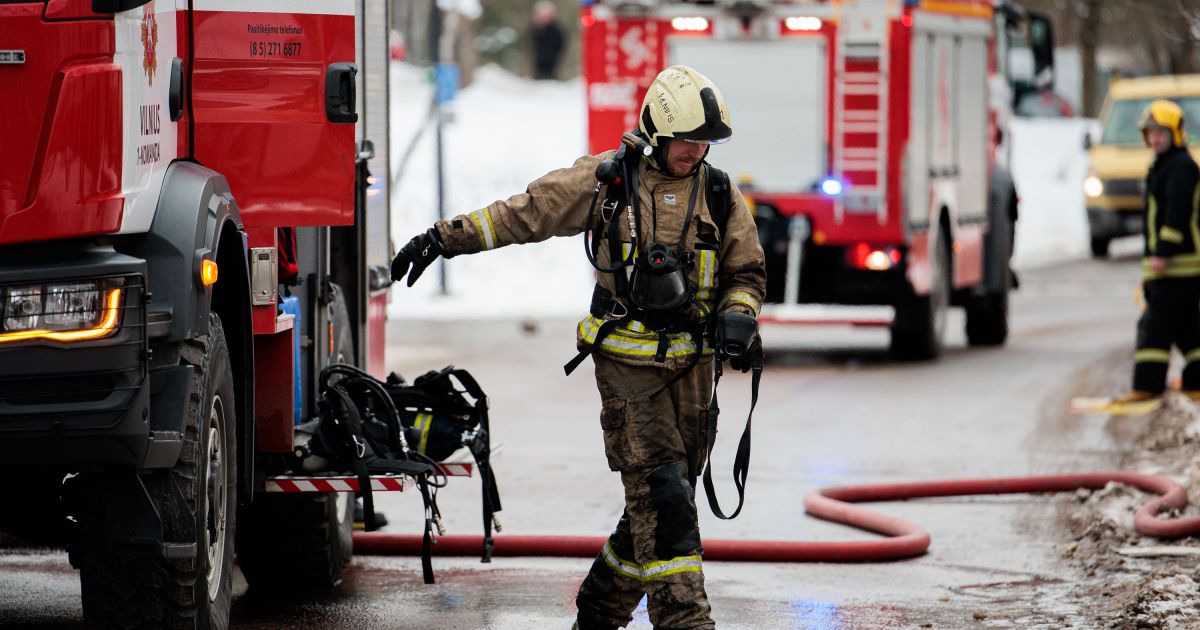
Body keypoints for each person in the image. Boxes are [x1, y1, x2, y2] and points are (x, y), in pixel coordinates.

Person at [390, 65, 766, 629]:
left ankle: (597, 612)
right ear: (660, 131)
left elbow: (748, 271)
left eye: (706, 141)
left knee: (663, 501)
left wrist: (739, 314)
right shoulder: (608, 182)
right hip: (627, 371)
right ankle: (686, 622)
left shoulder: (719, 194)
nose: (698, 150)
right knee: (665, 503)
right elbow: (526, 212)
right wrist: (444, 238)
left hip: (694, 372)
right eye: (689, 139)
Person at [1115, 99, 1200, 403]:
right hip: (1180, 265)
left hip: (1176, 264)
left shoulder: (1179, 167)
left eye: (1161, 132)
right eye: (1150, 132)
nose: (1155, 138)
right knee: (1188, 328)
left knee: (1155, 326)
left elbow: (1177, 213)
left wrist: (1163, 251)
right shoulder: (1168, 165)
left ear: (1176, 133)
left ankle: (1147, 386)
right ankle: (1196, 380)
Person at [530, 1, 565, 80]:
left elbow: (560, 44)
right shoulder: (535, 28)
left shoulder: (556, 30)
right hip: (538, 64)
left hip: (552, 64)